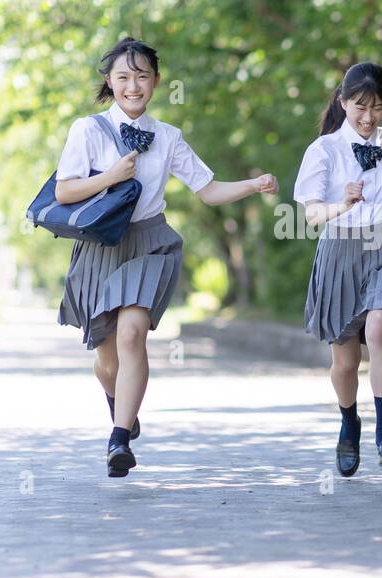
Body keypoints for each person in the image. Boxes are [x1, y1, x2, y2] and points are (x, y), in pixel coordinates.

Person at [55, 37, 278, 477]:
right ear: (110, 82)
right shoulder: (87, 130)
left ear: (156, 81)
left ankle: (119, 440)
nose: (133, 86)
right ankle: (121, 404)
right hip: (101, 247)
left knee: (133, 332)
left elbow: (208, 190)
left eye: (142, 77)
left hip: (151, 243)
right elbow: (65, 190)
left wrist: (252, 185)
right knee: (107, 359)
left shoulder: (168, 137)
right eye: (123, 77)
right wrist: (110, 177)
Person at [292, 62, 382, 477]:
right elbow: (311, 216)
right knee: (345, 361)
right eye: (360, 106)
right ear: (343, 102)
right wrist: (339, 205)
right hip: (339, 250)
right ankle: (350, 424)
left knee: (381, 328)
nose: (368, 117)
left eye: (378, 107)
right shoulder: (324, 150)